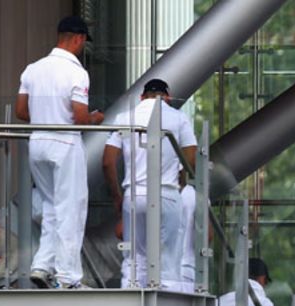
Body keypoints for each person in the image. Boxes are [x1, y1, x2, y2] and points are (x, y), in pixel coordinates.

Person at [17, 15, 105, 290]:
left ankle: (42, 266)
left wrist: (46, 115)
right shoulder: (77, 72)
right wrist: (95, 119)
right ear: (78, 39)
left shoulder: (33, 69)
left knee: (51, 206)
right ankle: (69, 278)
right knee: (71, 209)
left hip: (37, 142)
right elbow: (79, 118)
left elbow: (21, 112)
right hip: (64, 144)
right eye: (83, 43)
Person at [103, 78, 197, 290]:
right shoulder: (179, 118)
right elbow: (191, 158)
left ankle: (131, 293)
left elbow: (107, 162)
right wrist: (180, 179)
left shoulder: (124, 117)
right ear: (168, 98)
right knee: (167, 256)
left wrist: (117, 196)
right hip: (167, 193)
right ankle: (164, 302)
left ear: (142, 97)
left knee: (134, 256)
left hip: (133, 195)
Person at [177, 182, 197, 293]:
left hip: (157, 271)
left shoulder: (151, 193)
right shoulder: (196, 196)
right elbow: (207, 236)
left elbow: (120, 231)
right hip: (186, 268)